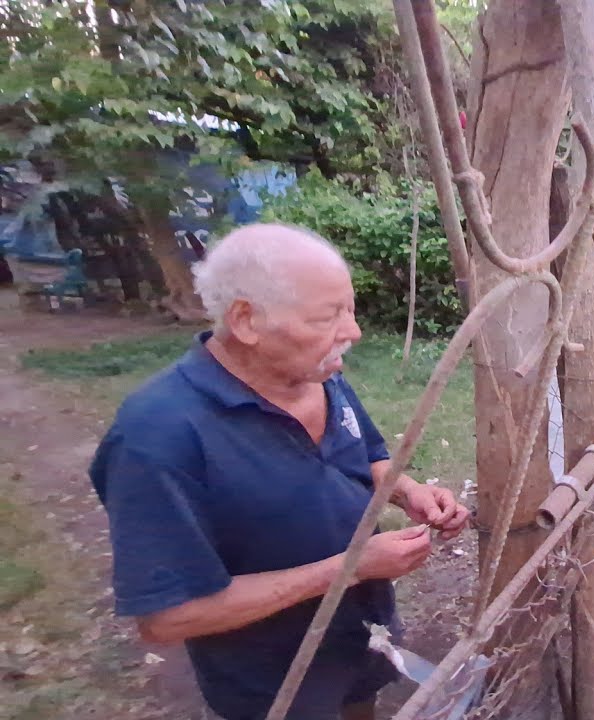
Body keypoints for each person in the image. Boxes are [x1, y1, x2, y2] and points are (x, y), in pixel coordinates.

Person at [89, 224, 470, 720]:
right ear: (246, 321)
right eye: (328, 316)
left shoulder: (316, 375)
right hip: (273, 683)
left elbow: (365, 457)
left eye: (349, 309)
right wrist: (349, 568)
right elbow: (167, 616)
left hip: (360, 640)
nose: (353, 332)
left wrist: (408, 491)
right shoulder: (156, 437)